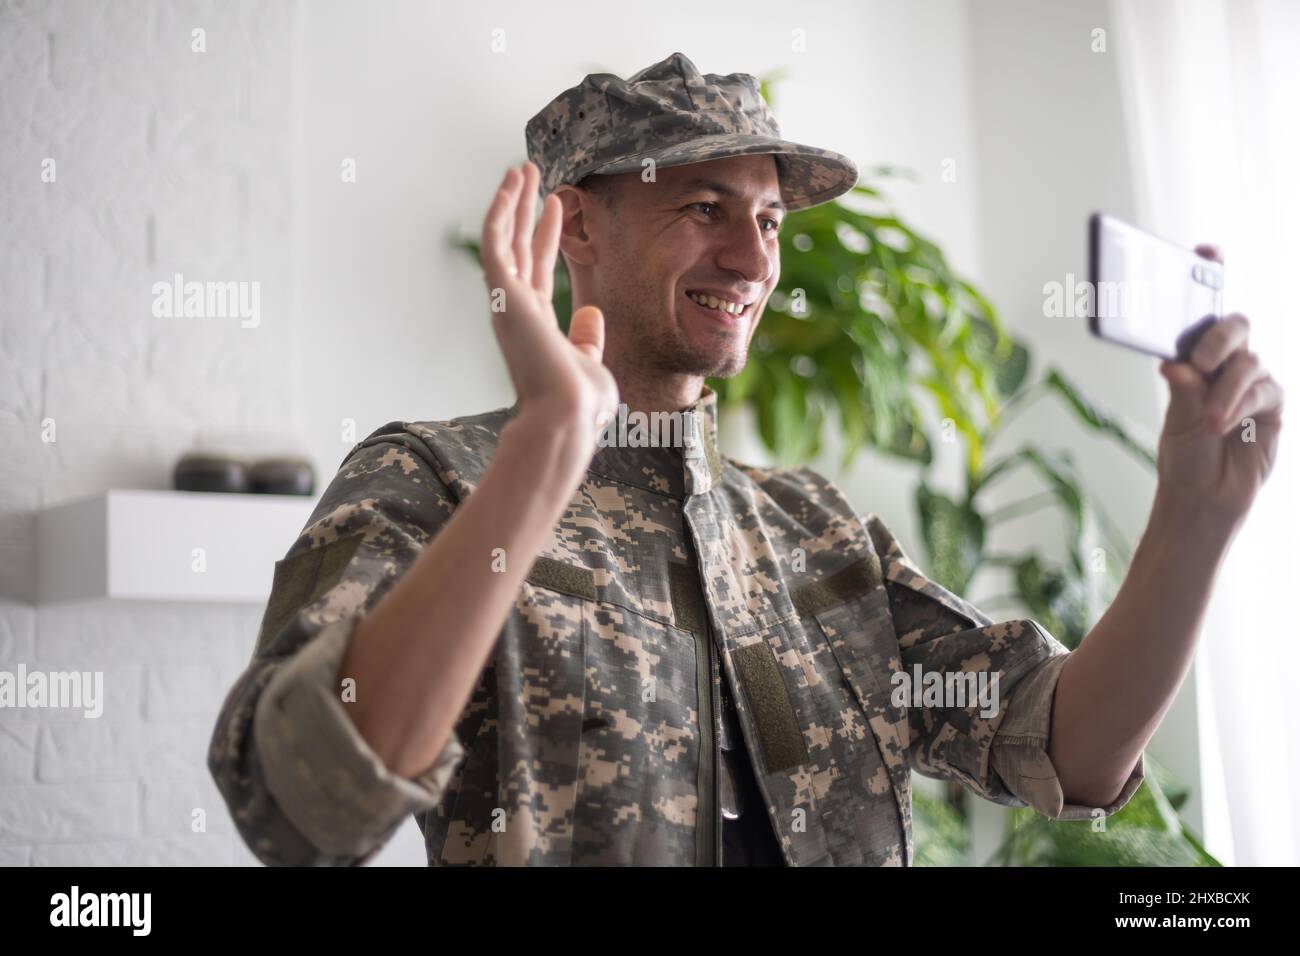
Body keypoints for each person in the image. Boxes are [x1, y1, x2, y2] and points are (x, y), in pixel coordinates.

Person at [208, 52, 1284, 866]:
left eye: (769, 218)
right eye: (704, 208)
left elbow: (1064, 743)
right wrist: (543, 454)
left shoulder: (813, 529)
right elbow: (302, 802)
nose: (754, 256)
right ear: (576, 225)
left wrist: (1196, 517)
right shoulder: (435, 479)